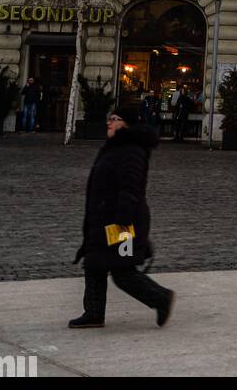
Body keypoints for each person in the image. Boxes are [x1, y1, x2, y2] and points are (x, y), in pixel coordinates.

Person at [68, 101, 175, 329]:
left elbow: (131, 187)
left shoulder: (130, 150)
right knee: (94, 264)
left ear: (126, 124)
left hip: (124, 224)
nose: (109, 122)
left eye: (114, 119)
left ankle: (161, 298)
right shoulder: (116, 147)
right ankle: (93, 313)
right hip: (105, 220)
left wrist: (123, 220)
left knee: (122, 270)